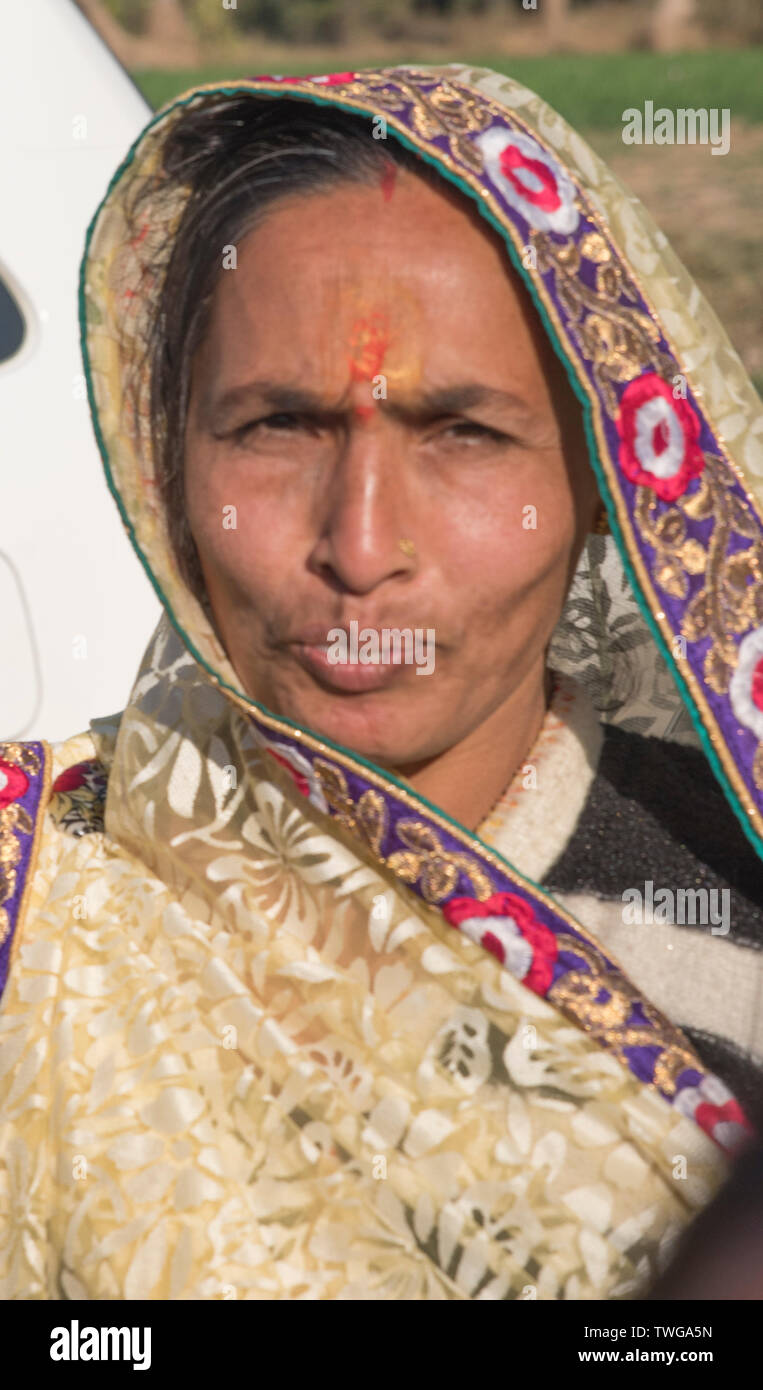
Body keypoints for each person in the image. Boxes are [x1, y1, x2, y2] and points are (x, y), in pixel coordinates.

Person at [1, 63, 762, 1301]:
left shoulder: (725, 938)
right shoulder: (45, 902)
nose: (358, 548)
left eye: (463, 434)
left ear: (594, 483)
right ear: (165, 470)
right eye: (277, 426)